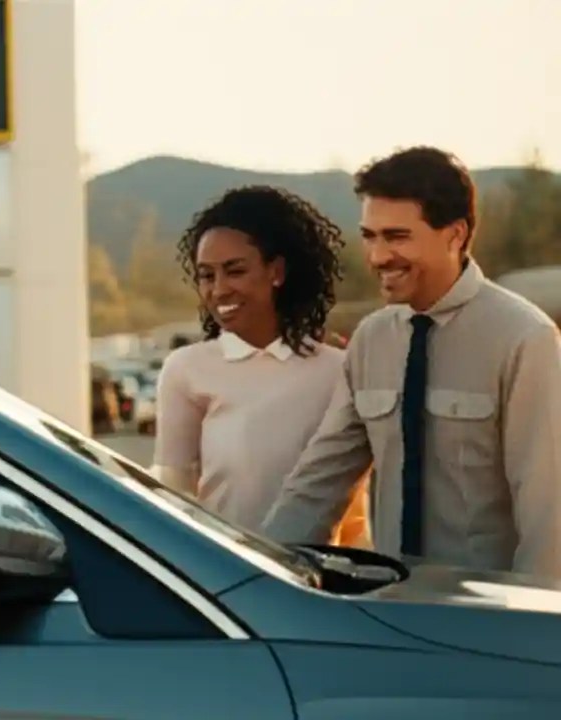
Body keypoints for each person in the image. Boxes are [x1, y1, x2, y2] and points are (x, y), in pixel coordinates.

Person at [262, 146, 561, 578]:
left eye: (397, 237)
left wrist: (532, 630)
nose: (379, 256)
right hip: (394, 612)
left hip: (489, 618)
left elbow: (548, 512)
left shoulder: (524, 339)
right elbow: (318, 481)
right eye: (370, 236)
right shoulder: (372, 339)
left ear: (455, 235)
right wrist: (260, 576)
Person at [153, 185, 369, 545]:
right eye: (207, 275)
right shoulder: (185, 370)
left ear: (277, 271)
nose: (219, 290)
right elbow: (172, 498)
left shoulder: (339, 370)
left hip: (323, 581)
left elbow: (355, 506)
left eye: (234, 271)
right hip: (219, 581)